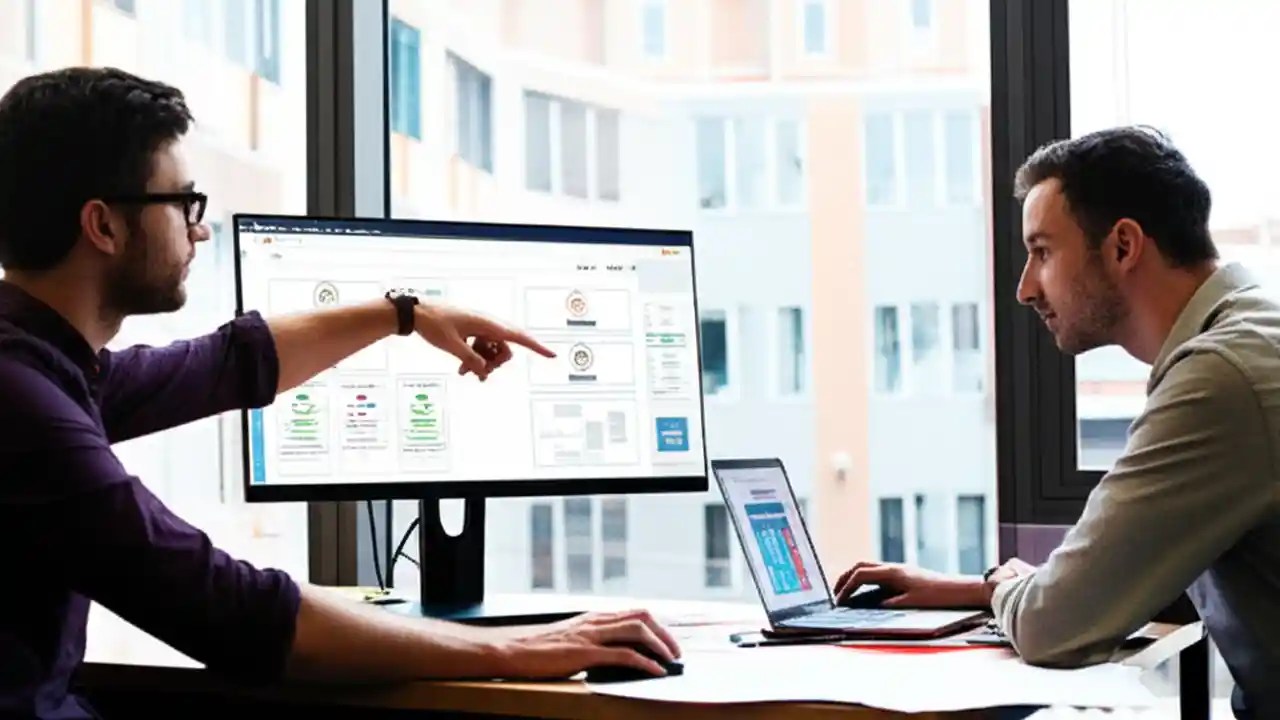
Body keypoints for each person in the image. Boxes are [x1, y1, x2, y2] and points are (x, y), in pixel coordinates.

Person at [0, 67, 679, 720]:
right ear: (104, 226)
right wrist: (518, 649)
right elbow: (233, 612)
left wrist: (403, 314)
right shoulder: (24, 405)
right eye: (182, 203)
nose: (199, 227)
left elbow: (229, 363)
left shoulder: (45, 366)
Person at [833, 125, 1280, 718]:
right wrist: (982, 589)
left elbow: (1053, 627)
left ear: (1123, 247)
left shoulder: (1220, 379)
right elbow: (1150, 574)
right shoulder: (1245, 340)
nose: (1023, 288)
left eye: (1042, 251)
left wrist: (1018, 593)